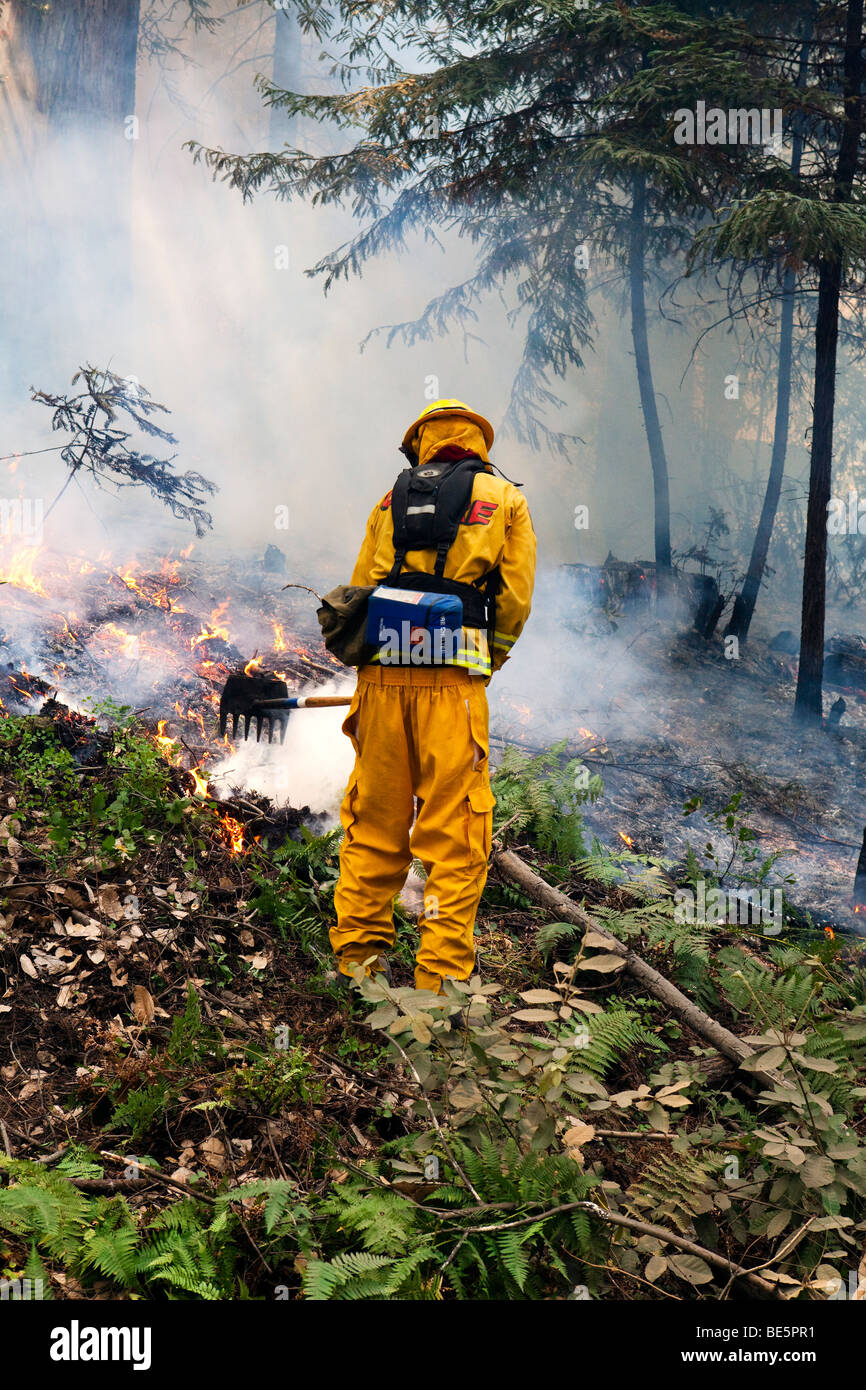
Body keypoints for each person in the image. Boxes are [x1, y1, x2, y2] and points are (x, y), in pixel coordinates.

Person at [330, 399, 536, 992]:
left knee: (374, 828)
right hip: (453, 689)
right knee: (455, 839)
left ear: (419, 442)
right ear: (478, 444)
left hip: (381, 681)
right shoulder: (504, 500)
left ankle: (359, 970)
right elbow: (515, 600)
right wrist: (484, 663)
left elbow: (363, 588)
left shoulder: (389, 501)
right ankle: (438, 990)